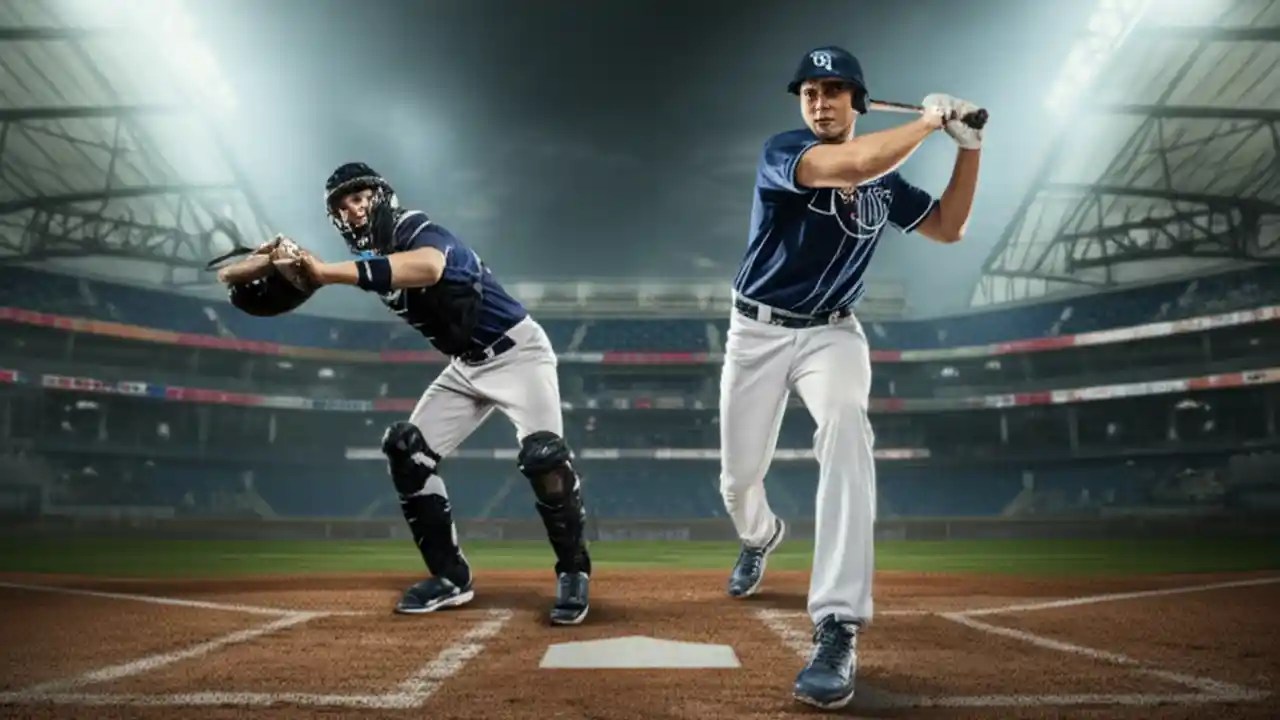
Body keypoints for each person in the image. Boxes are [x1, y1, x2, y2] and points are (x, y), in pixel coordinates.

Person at [719, 46, 982, 708]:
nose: (820, 101)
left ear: (858, 103)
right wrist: (927, 124)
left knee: (845, 427)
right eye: (810, 91)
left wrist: (968, 147)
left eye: (835, 90)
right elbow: (856, 164)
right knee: (737, 477)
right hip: (756, 332)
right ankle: (759, 535)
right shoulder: (785, 152)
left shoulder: (888, 186)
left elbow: (949, 228)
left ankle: (837, 624)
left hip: (832, 333)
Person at [291, 162, 592, 626]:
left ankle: (574, 571)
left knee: (543, 457)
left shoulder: (415, 228)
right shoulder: (378, 253)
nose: (352, 210)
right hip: (466, 367)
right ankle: (451, 577)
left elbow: (431, 267)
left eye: (358, 197)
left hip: (518, 352)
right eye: (342, 206)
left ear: (381, 195)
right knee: (406, 452)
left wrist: (325, 272)